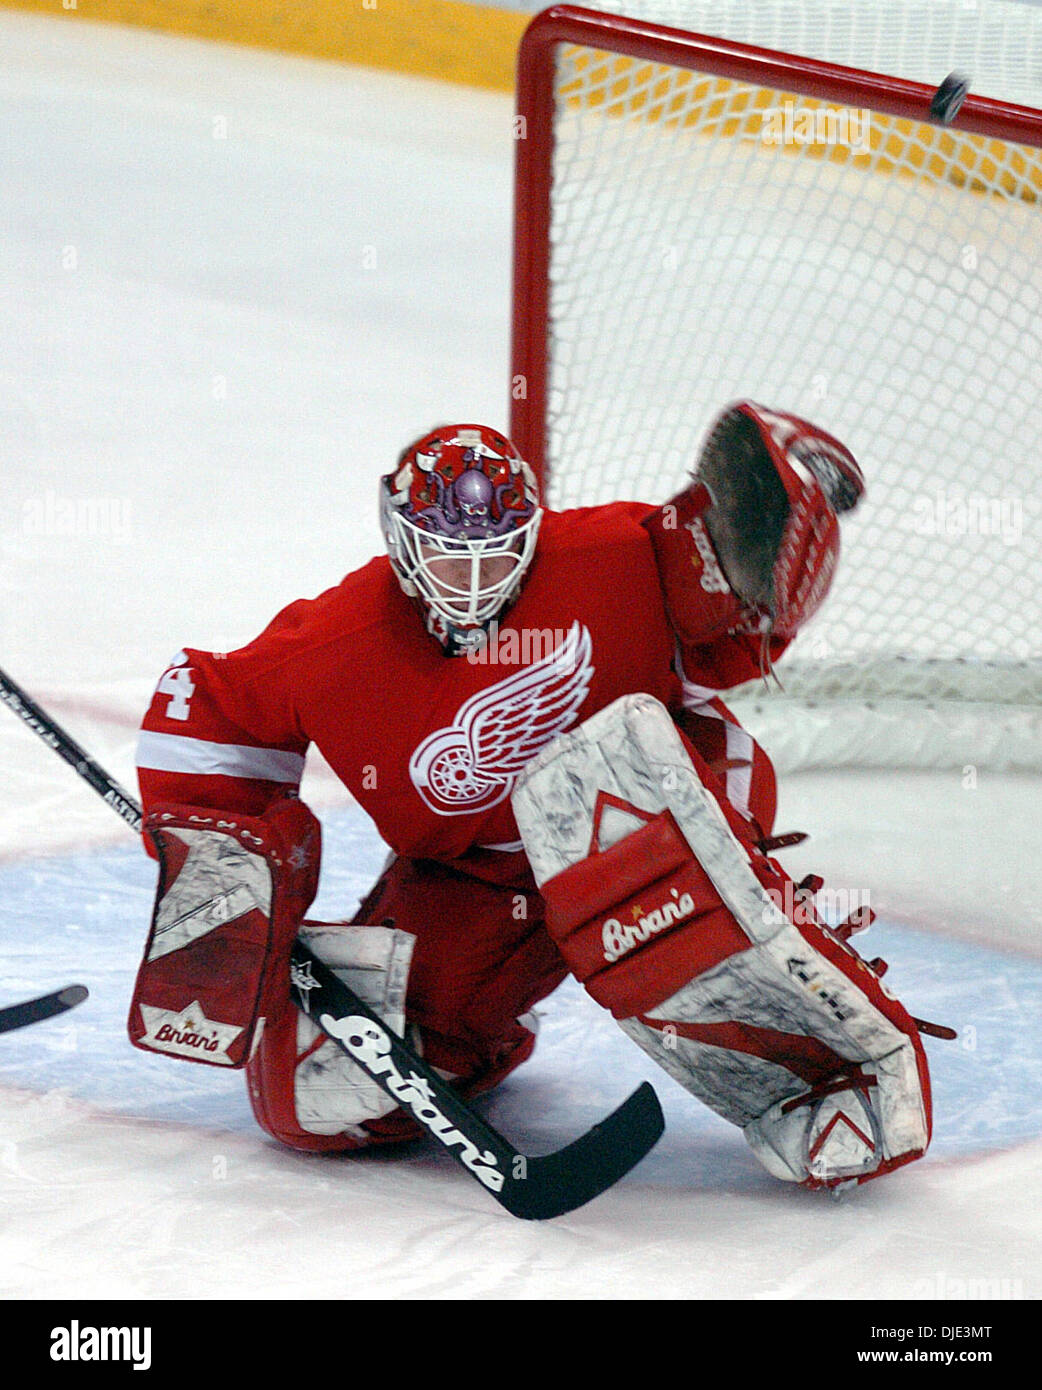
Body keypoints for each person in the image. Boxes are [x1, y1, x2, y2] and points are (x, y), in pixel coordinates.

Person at [128, 407, 936, 1189]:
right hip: (479, 880)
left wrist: (769, 510)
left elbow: (726, 596)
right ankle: (473, 1037)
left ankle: (826, 1063)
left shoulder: (611, 557)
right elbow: (208, 703)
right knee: (308, 1094)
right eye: (450, 559)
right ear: (402, 544)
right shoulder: (338, 643)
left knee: (612, 832)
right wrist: (231, 879)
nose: (475, 585)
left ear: (535, 533)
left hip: (647, 804)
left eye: (499, 554)